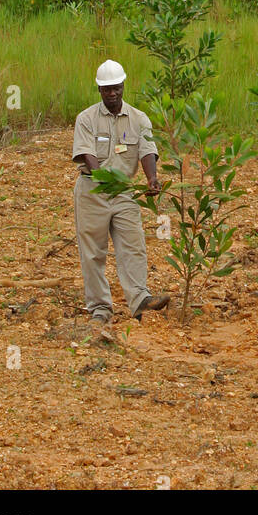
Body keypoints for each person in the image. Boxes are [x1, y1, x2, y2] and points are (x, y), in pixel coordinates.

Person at [72, 59, 170, 326]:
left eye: (116, 88)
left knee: (133, 245)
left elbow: (147, 150)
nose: (112, 93)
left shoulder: (139, 119)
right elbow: (86, 154)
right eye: (107, 89)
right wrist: (105, 179)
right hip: (93, 190)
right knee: (93, 252)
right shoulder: (87, 119)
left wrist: (151, 179)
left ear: (123, 85)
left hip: (125, 191)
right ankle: (100, 308)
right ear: (99, 90)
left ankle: (139, 300)